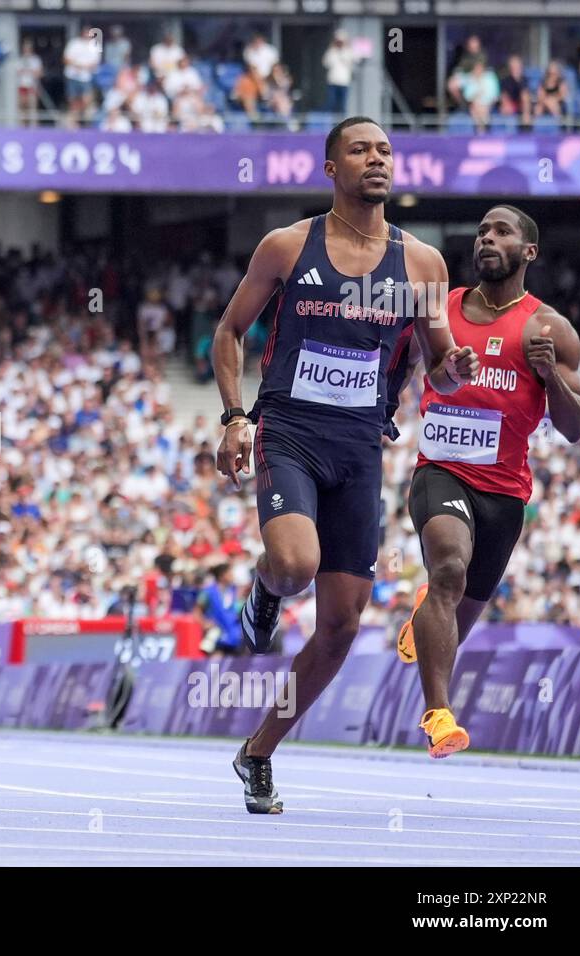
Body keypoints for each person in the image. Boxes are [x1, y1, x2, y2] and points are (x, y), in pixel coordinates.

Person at [212, 116, 479, 813]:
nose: (377, 160)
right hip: (290, 431)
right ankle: (267, 589)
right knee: (295, 565)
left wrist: (455, 368)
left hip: (360, 446)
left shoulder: (422, 264)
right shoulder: (287, 246)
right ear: (331, 167)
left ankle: (257, 752)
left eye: (385, 150)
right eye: (360, 150)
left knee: (340, 625)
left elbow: (439, 372)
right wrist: (234, 416)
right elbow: (230, 331)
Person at [392, 206, 580, 757]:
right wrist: (434, 379)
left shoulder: (548, 329)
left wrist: (550, 375)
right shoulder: (444, 309)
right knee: (448, 568)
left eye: (501, 232)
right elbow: (411, 367)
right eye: (482, 231)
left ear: (528, 251)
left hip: (503, 493)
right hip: (441, 470)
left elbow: (576, 428)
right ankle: (438, 714)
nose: (487, 238)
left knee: (460, 608)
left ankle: (424, 620)